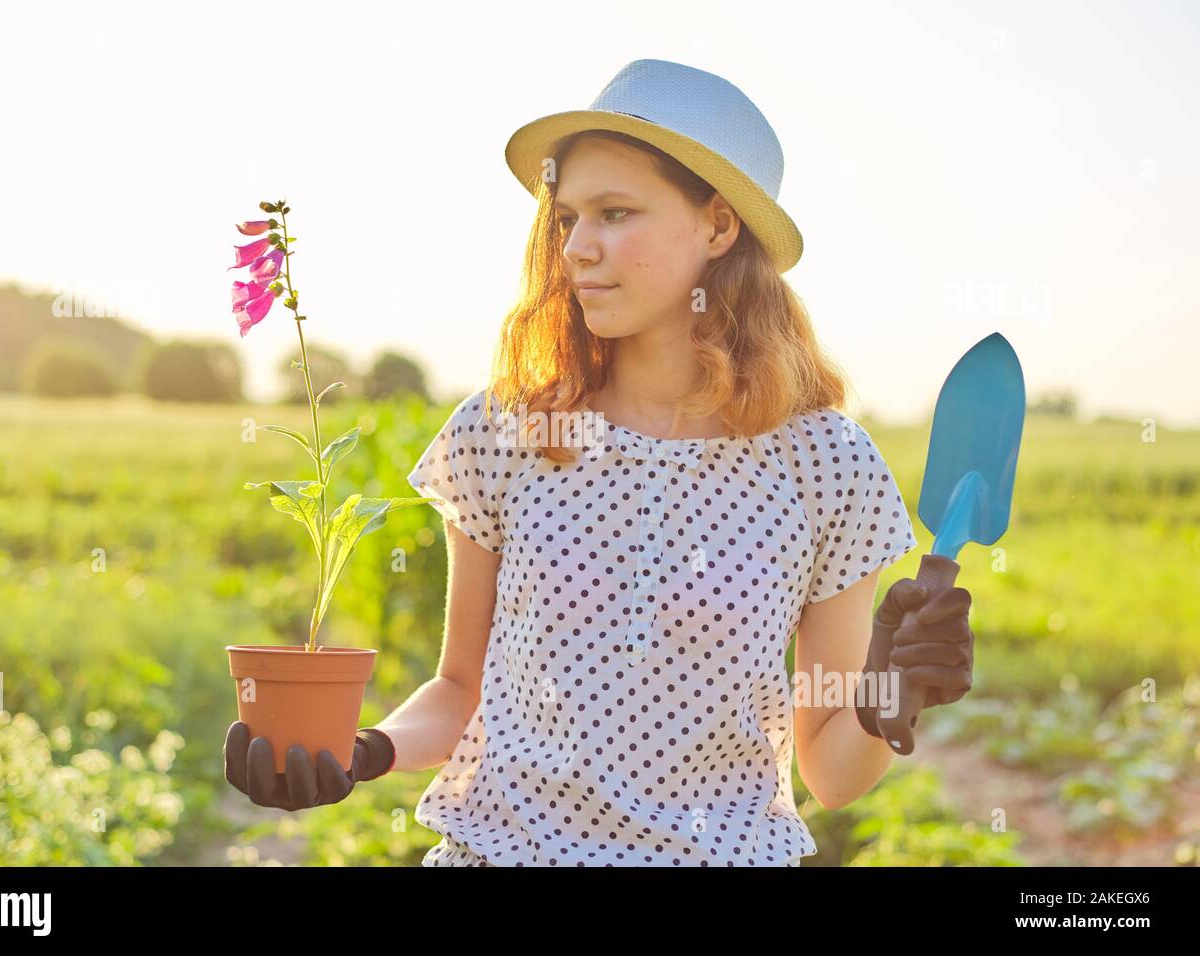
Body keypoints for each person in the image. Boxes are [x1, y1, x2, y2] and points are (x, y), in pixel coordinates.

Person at [224, 58, 975, 867]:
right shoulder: (508, 430)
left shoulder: (825, 463)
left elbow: (830, 771)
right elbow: (457, 692)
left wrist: (891, 694)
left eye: (616, 213)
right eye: (568, 218)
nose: (578, 247)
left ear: (719, 227)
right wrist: (359, 753)